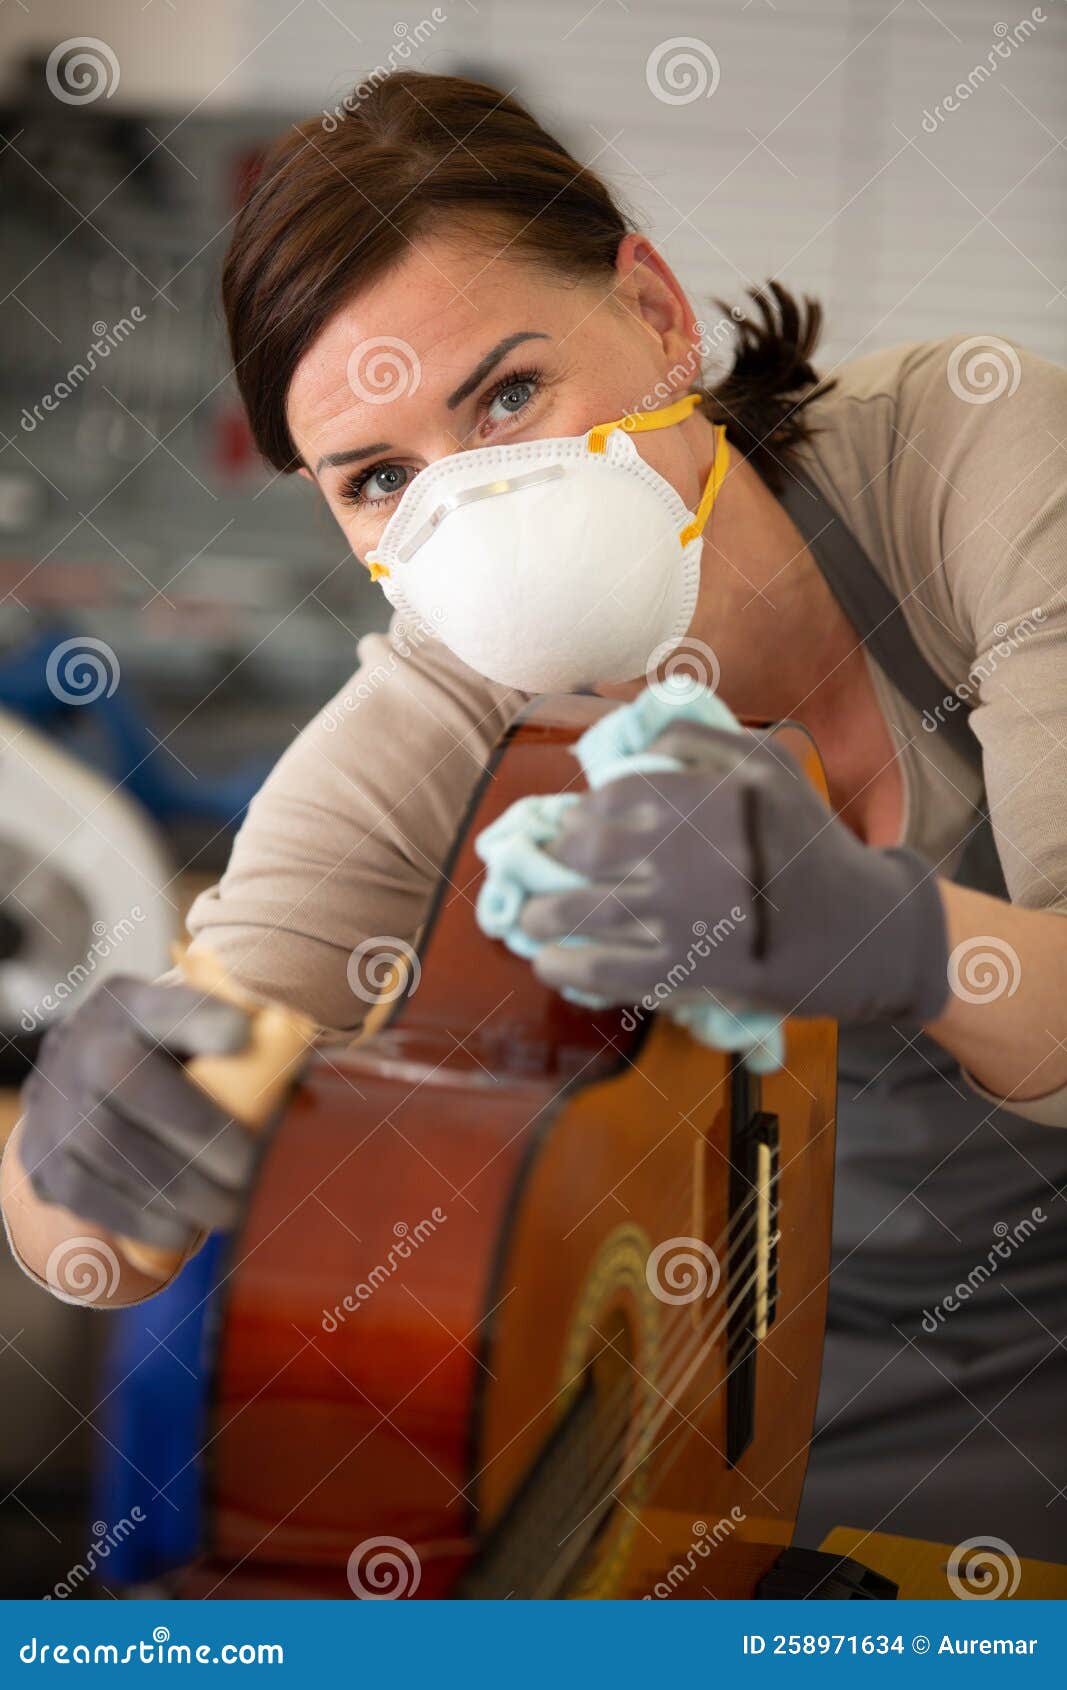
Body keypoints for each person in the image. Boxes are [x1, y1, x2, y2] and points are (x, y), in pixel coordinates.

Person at [3, 71, 1066, 1559]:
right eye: (380, 480)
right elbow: (123, 1211)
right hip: (736, 1475)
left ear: (657, 310)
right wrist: (80, 1154)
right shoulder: (437, 716)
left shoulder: (969, 458)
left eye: (509, 394)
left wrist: (901, 939)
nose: (477, 508)